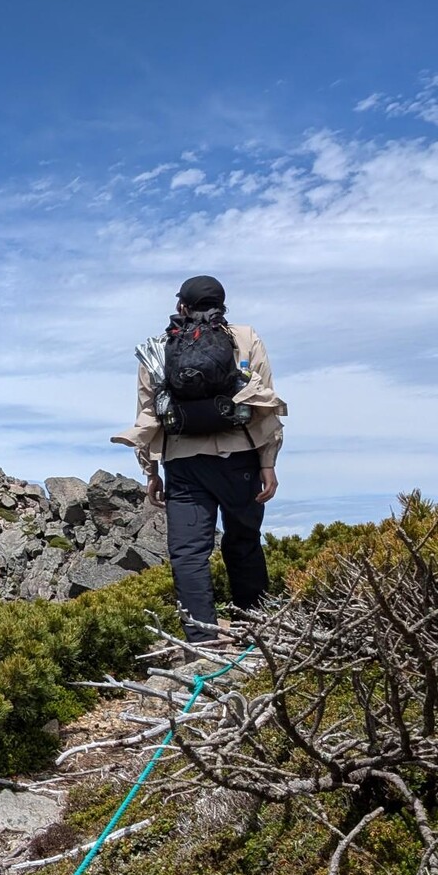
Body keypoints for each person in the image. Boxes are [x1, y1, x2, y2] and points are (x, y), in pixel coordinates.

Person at [112, 275, 287, 642]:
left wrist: (151, 472)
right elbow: (264, 404)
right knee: (244, 540)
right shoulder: (245, 337)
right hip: (239, 459)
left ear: (182, 306)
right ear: (223, 304)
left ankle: (201, 640)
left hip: (184, 463)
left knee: (189, 553)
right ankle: (256, 628)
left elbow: (148, 413)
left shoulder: (159, 347)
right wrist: (267, 462)